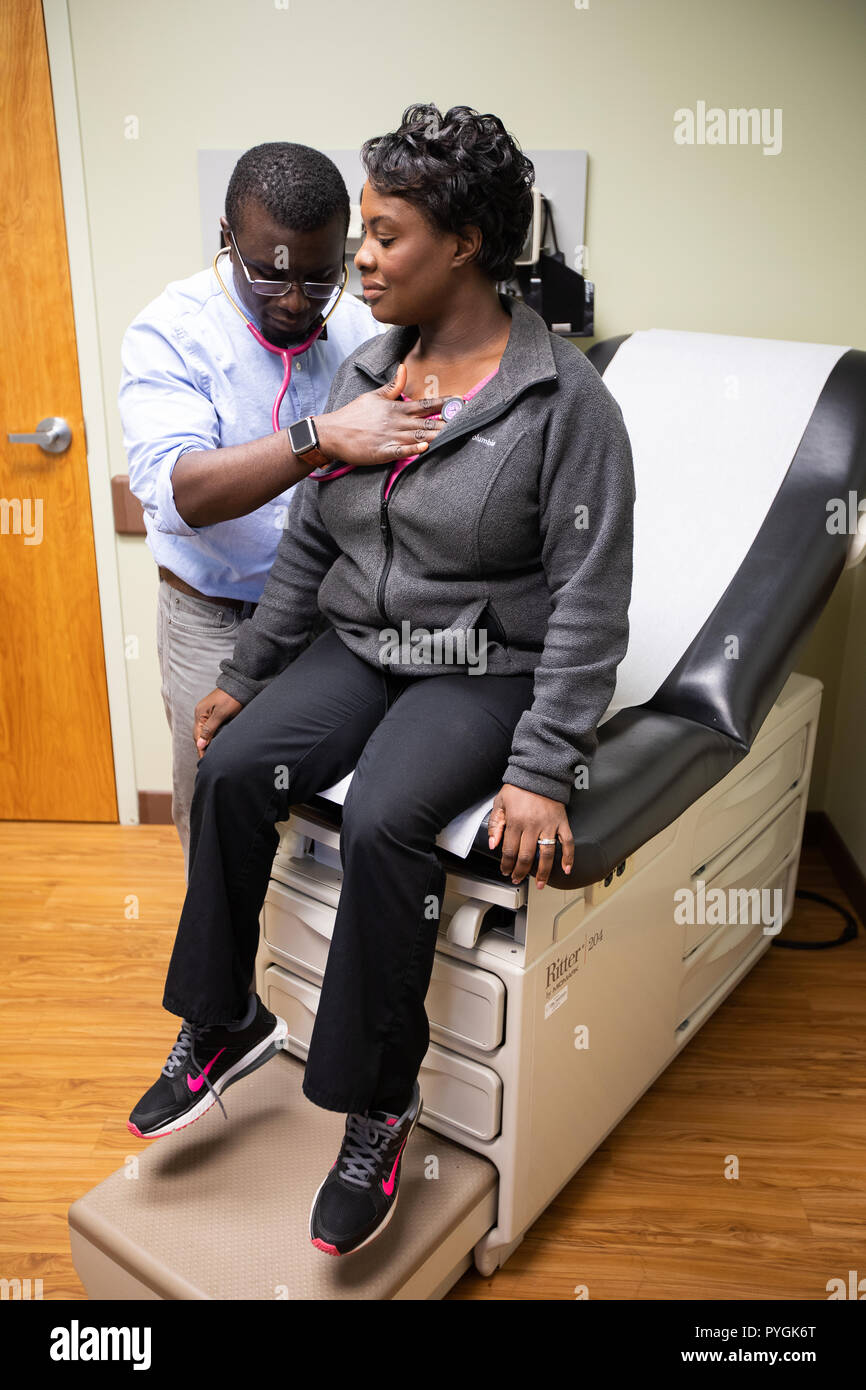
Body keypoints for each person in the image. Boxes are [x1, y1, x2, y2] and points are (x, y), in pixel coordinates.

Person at [127, 104, 636, 1260]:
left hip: (481, 666)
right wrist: (250, 674)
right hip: (359, 647)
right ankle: (224, 1019)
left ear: (461, 245)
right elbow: (311, 543)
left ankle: (376, 1101)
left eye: (382, 233)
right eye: (362, 230)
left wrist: (543, 767)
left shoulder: (563, 403)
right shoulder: (367, 366)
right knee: (235, 762)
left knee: (390, 818)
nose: (356, 260)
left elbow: (591, 599)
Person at [119, 143, 444, 874]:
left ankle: (301, 981)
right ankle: (233, 989)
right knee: (221, 825)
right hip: (218, 622)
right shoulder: (172, 332)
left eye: (318, 277)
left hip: (336, 625)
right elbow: (179, 495)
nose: (295, 299)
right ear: (226, 239)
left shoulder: (363, 331)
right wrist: (321, 437)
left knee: (323, 829)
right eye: (269, 272)